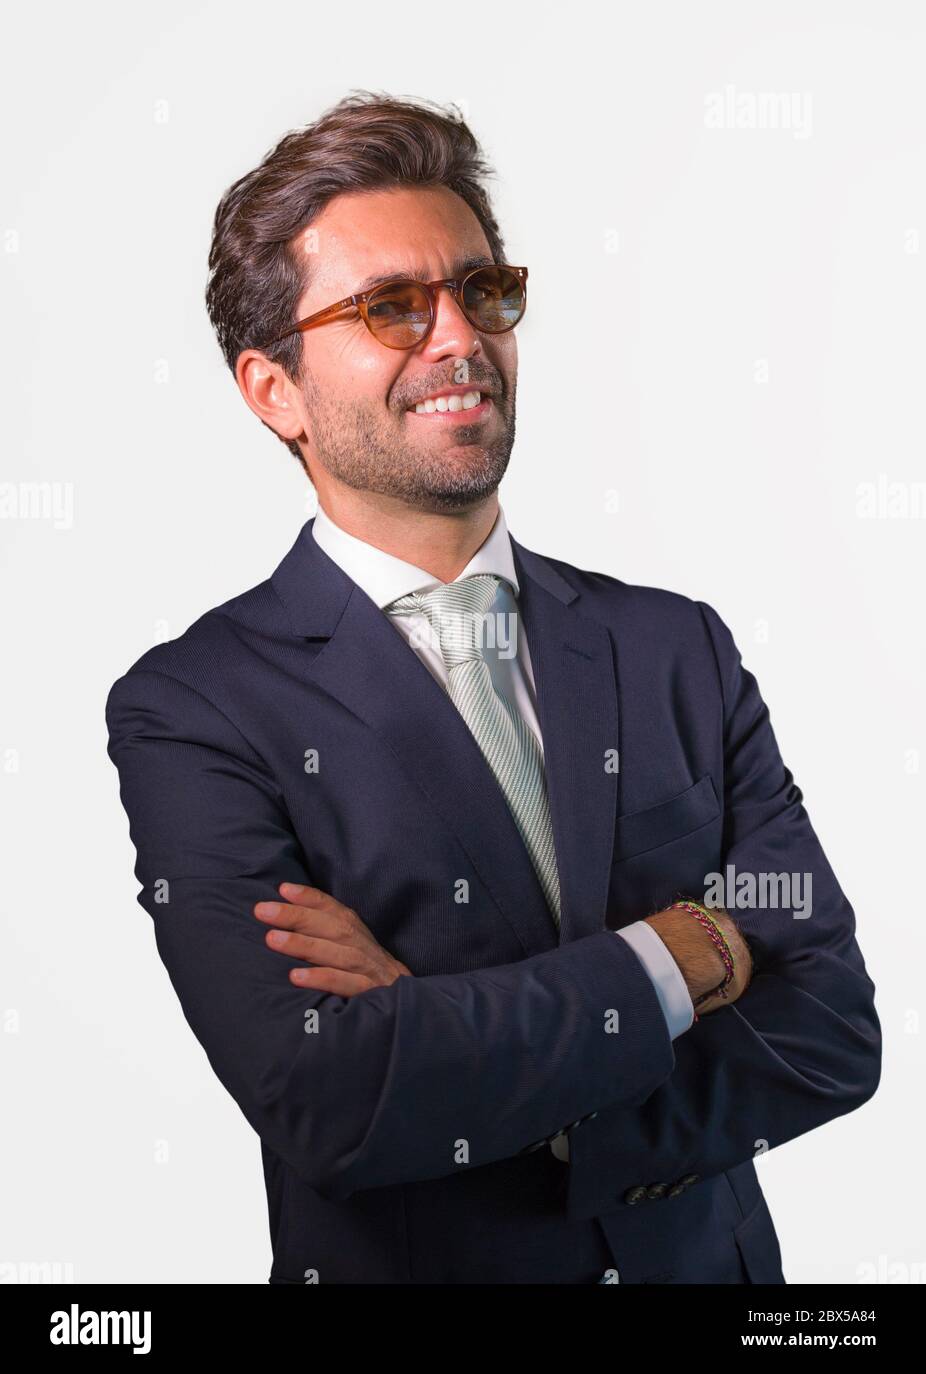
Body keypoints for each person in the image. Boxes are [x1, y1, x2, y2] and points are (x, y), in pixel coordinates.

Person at [105, 91, 880, 1284]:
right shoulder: (196, 709)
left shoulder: (675, 650)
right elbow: (335, 1097)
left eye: (481, 290)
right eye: (390, 309)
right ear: (274, 391)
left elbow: (829, 1028)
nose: (458, 338)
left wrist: (484, 1062)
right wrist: (683, 954)